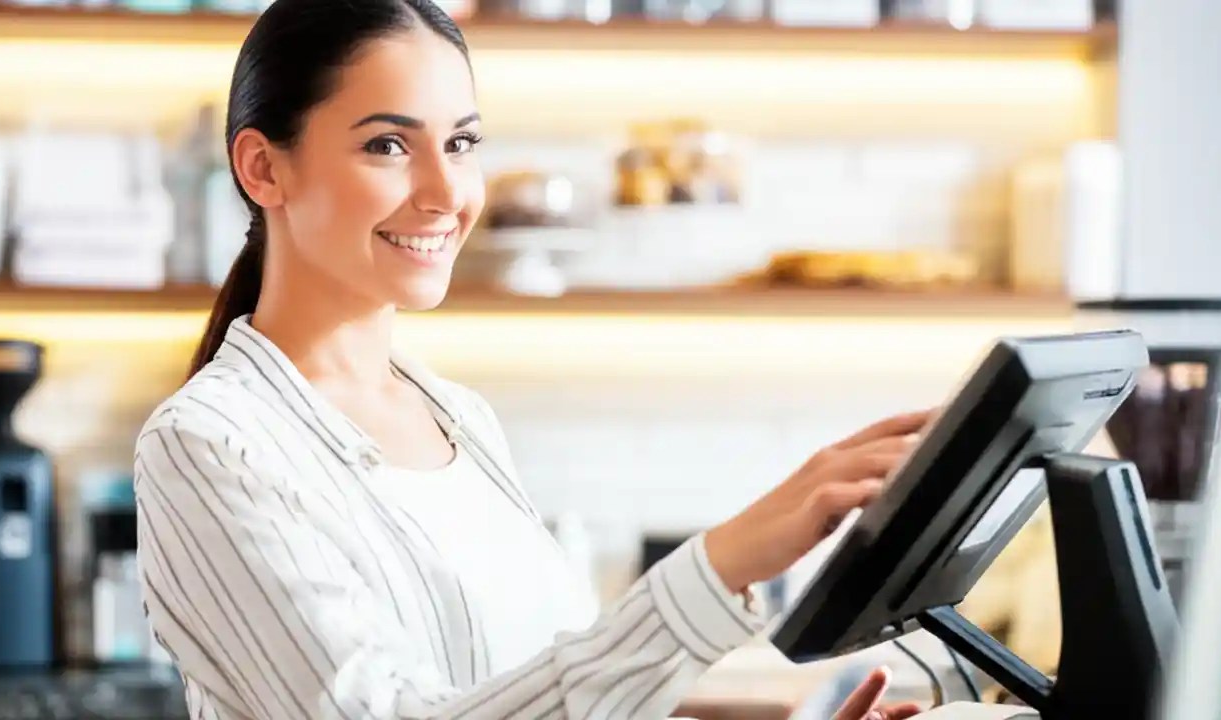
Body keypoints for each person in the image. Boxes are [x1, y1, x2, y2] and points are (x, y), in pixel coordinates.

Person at [132, 1, 929, 718]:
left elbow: (551, 696)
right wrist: (718, 565)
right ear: (263, 167)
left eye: (462, 142)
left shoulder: (457, 417)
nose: (448, 191)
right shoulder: (208, 443)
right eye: (387, 144)